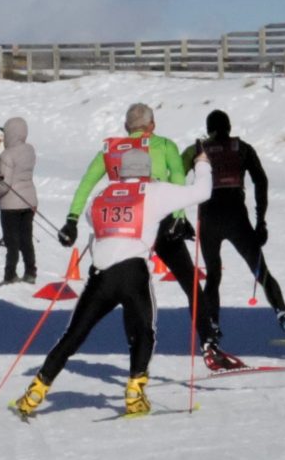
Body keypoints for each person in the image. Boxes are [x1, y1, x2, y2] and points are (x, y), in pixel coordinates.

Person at [15, 145, 212, 419]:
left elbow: (91, 221)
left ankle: (36, 390)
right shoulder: (153, 191)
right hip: (133, 273)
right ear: (146, 171)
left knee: (74, 335)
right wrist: (202, 162)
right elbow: (202, 192)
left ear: (119, 171)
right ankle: (135, 392)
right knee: (144, 330)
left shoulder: (102, 194)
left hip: (101, 275)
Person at [59, 102, 198, 327]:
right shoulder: (164, 145)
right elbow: (178, 180)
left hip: (122, 223)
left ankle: (86, 339)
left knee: (119, 287)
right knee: (190, 283)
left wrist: (72, 220)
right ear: (152, 125)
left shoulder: (111, 149)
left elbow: (86, 183)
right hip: (160, 218)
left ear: (126, 126)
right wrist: (179, 216)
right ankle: (209, 340)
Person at [194, 108, 285, 362]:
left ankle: (211, 331)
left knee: (213, 275)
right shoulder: (243, 148)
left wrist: (177, 216)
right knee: (261, 272)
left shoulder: (200, 149)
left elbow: (173, 173)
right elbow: (261, 181)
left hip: (210, 220)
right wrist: (261, 221)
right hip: (237, 219)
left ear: (210, 129)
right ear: (228, 126)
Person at [0, 117, 40, 285]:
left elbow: (4, 185)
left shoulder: (6, 155)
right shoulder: (30, 150)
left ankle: (10, 274)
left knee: (12, 242)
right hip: (29, 200)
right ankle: (30, 272)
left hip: (10, 204)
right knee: (26, 239)